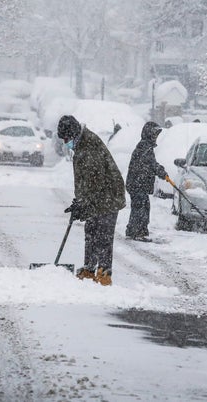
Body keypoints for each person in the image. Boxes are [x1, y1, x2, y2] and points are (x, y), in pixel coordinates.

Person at [57, 115, 126, 286]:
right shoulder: (81, 145)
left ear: (72, 133)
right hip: (98, 196)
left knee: (103, 234)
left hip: (108, 196)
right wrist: (79, 202)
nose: (66, 142)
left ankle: (104, 273)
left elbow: (95, 181)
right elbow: (85, 181)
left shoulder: (89, 147)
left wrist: (83, 203)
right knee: (91, 232)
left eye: (66, 138)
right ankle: (89, 268)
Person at [125, 121, 168, 241]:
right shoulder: (144, 147)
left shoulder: (145, 146)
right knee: (141, 208)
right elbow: (151, 164)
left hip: (137, 183)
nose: (156, 137)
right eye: (154, 134)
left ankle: (133, 230)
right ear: (149, 134)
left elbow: (150, 164)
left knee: (140, 206)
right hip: (137, 183)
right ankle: (138, 232)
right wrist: (161, 172)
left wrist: (159, 171)